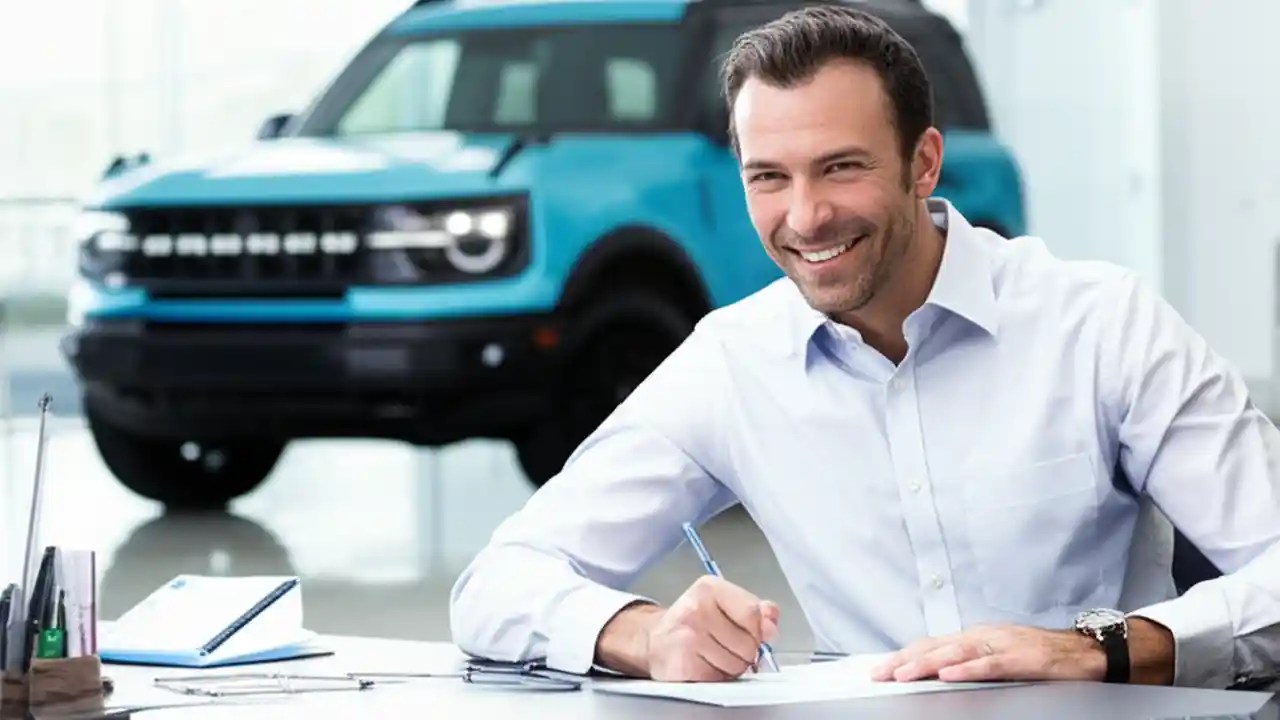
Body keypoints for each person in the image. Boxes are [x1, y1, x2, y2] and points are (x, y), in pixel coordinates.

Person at [449, 4, 1280, 689]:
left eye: (840, 168)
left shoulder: (1101, 326)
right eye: (768, 177)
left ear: (923, 162)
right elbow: (497, 585)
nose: (806, 217)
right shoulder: (731, 364)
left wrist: (1097, 649)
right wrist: (645, 632)